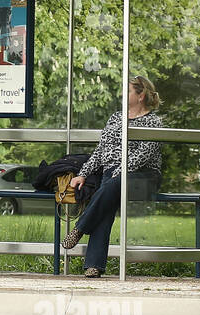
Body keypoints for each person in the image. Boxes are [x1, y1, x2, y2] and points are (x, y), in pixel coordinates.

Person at [61, 76, 164, 277]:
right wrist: (83, 174)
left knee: (111, 187)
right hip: (113, 175)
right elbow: (101, 150)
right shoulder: (116, 118)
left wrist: (117, 174)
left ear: (141, 95)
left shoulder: (153, 122)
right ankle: (93, 267)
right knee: (106, 200)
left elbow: (142, 156)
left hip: (142, 176)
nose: (123, 95)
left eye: (128, 91)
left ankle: (80, 229)